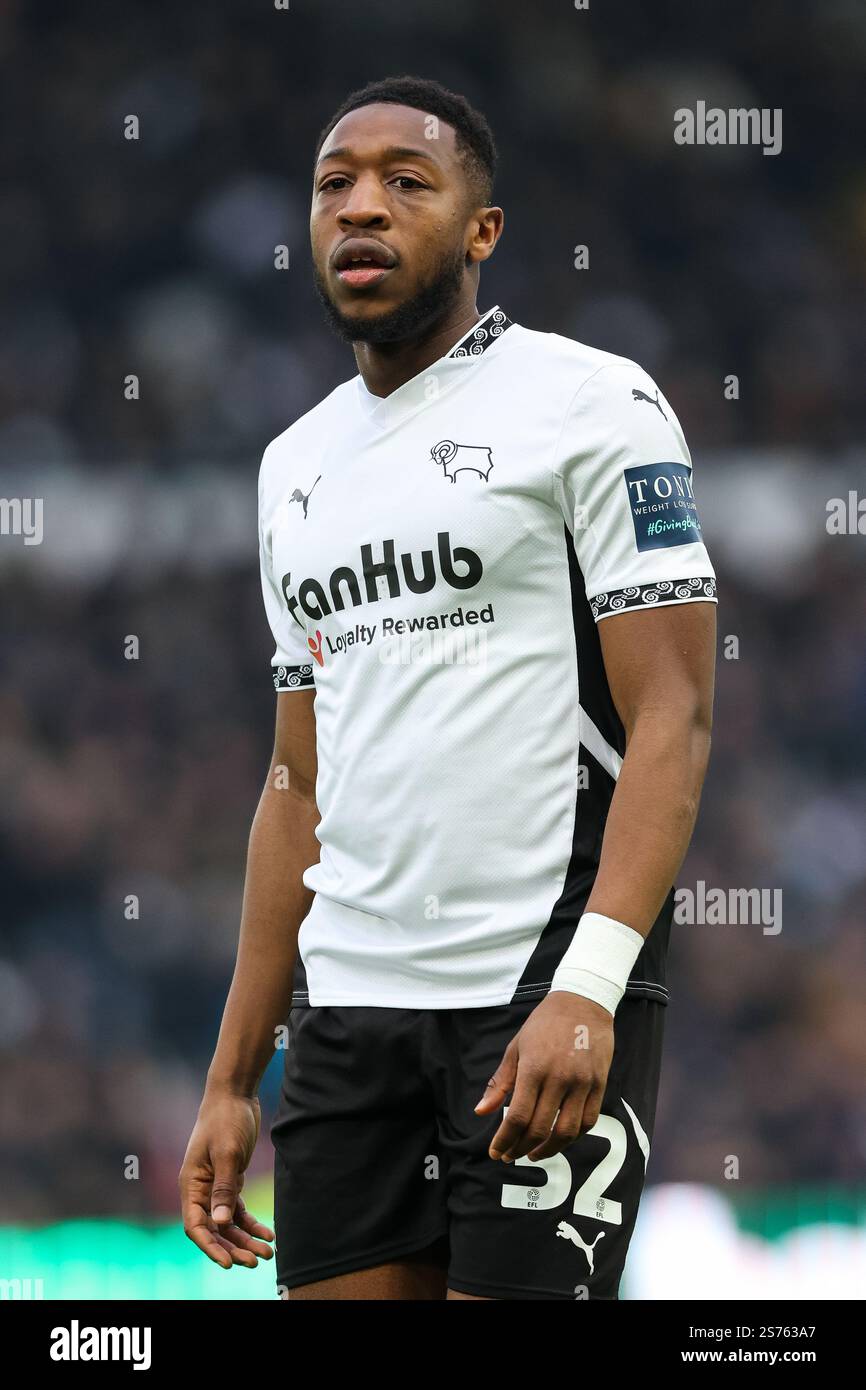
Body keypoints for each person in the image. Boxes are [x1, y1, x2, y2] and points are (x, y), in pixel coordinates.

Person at [179, 75, 717, 1301]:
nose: (360, 207)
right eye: (334, 185)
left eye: (404, 183)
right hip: (348, 1012)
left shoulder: (591, 401)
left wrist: (589, 990)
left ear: (482, 231)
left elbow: (674, 720)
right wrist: (227, 1078)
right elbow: (294, 780)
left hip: (534, 991)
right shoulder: (292, 464)